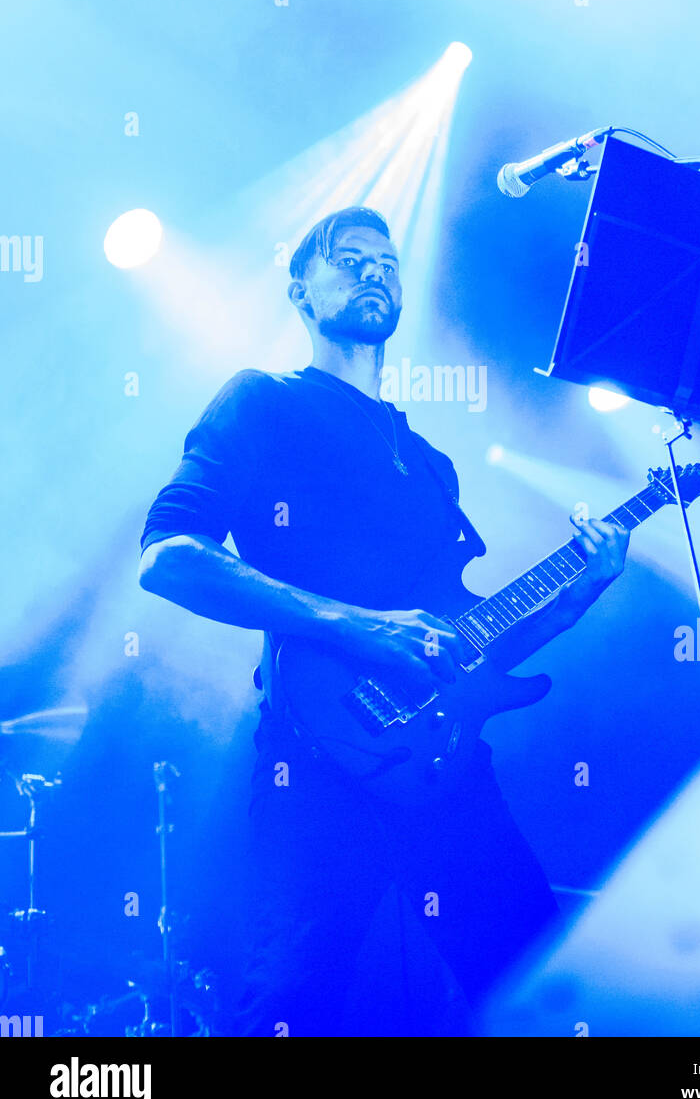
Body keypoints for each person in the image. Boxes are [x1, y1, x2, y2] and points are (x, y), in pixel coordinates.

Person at [138, 205, 630, 1036]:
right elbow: (168, 554)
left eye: (389, 261)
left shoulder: (427, 462)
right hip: (319, 768)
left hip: (447, 770)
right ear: (300, 291)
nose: (377, 271)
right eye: (352, 258)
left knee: (541, 997)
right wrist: (356, 627)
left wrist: (578, 595)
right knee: (290, 1007)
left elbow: (467, 639)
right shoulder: (264, 403)